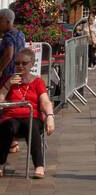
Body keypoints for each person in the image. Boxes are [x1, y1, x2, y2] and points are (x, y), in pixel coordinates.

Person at [0, 47, 55, 179]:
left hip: (31, 117)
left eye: (24, 63)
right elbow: (1, 100)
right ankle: (0, 163)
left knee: (32, 125)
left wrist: (50, 116)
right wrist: (7, 85)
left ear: (32, 64)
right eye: (17, 63)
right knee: (8, 127)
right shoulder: (9, 80)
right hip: (11, 117)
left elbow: (45, 101)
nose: (20, 66)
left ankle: (39, 165)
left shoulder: (37, 82)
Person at [0, 9, 26, 87]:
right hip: (18, 73)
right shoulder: (20, 34)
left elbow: (8, 55)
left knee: (3, 96)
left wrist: (0, 69)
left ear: (7, 22)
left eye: (0, 21)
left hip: (7, 75)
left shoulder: (8, 36)